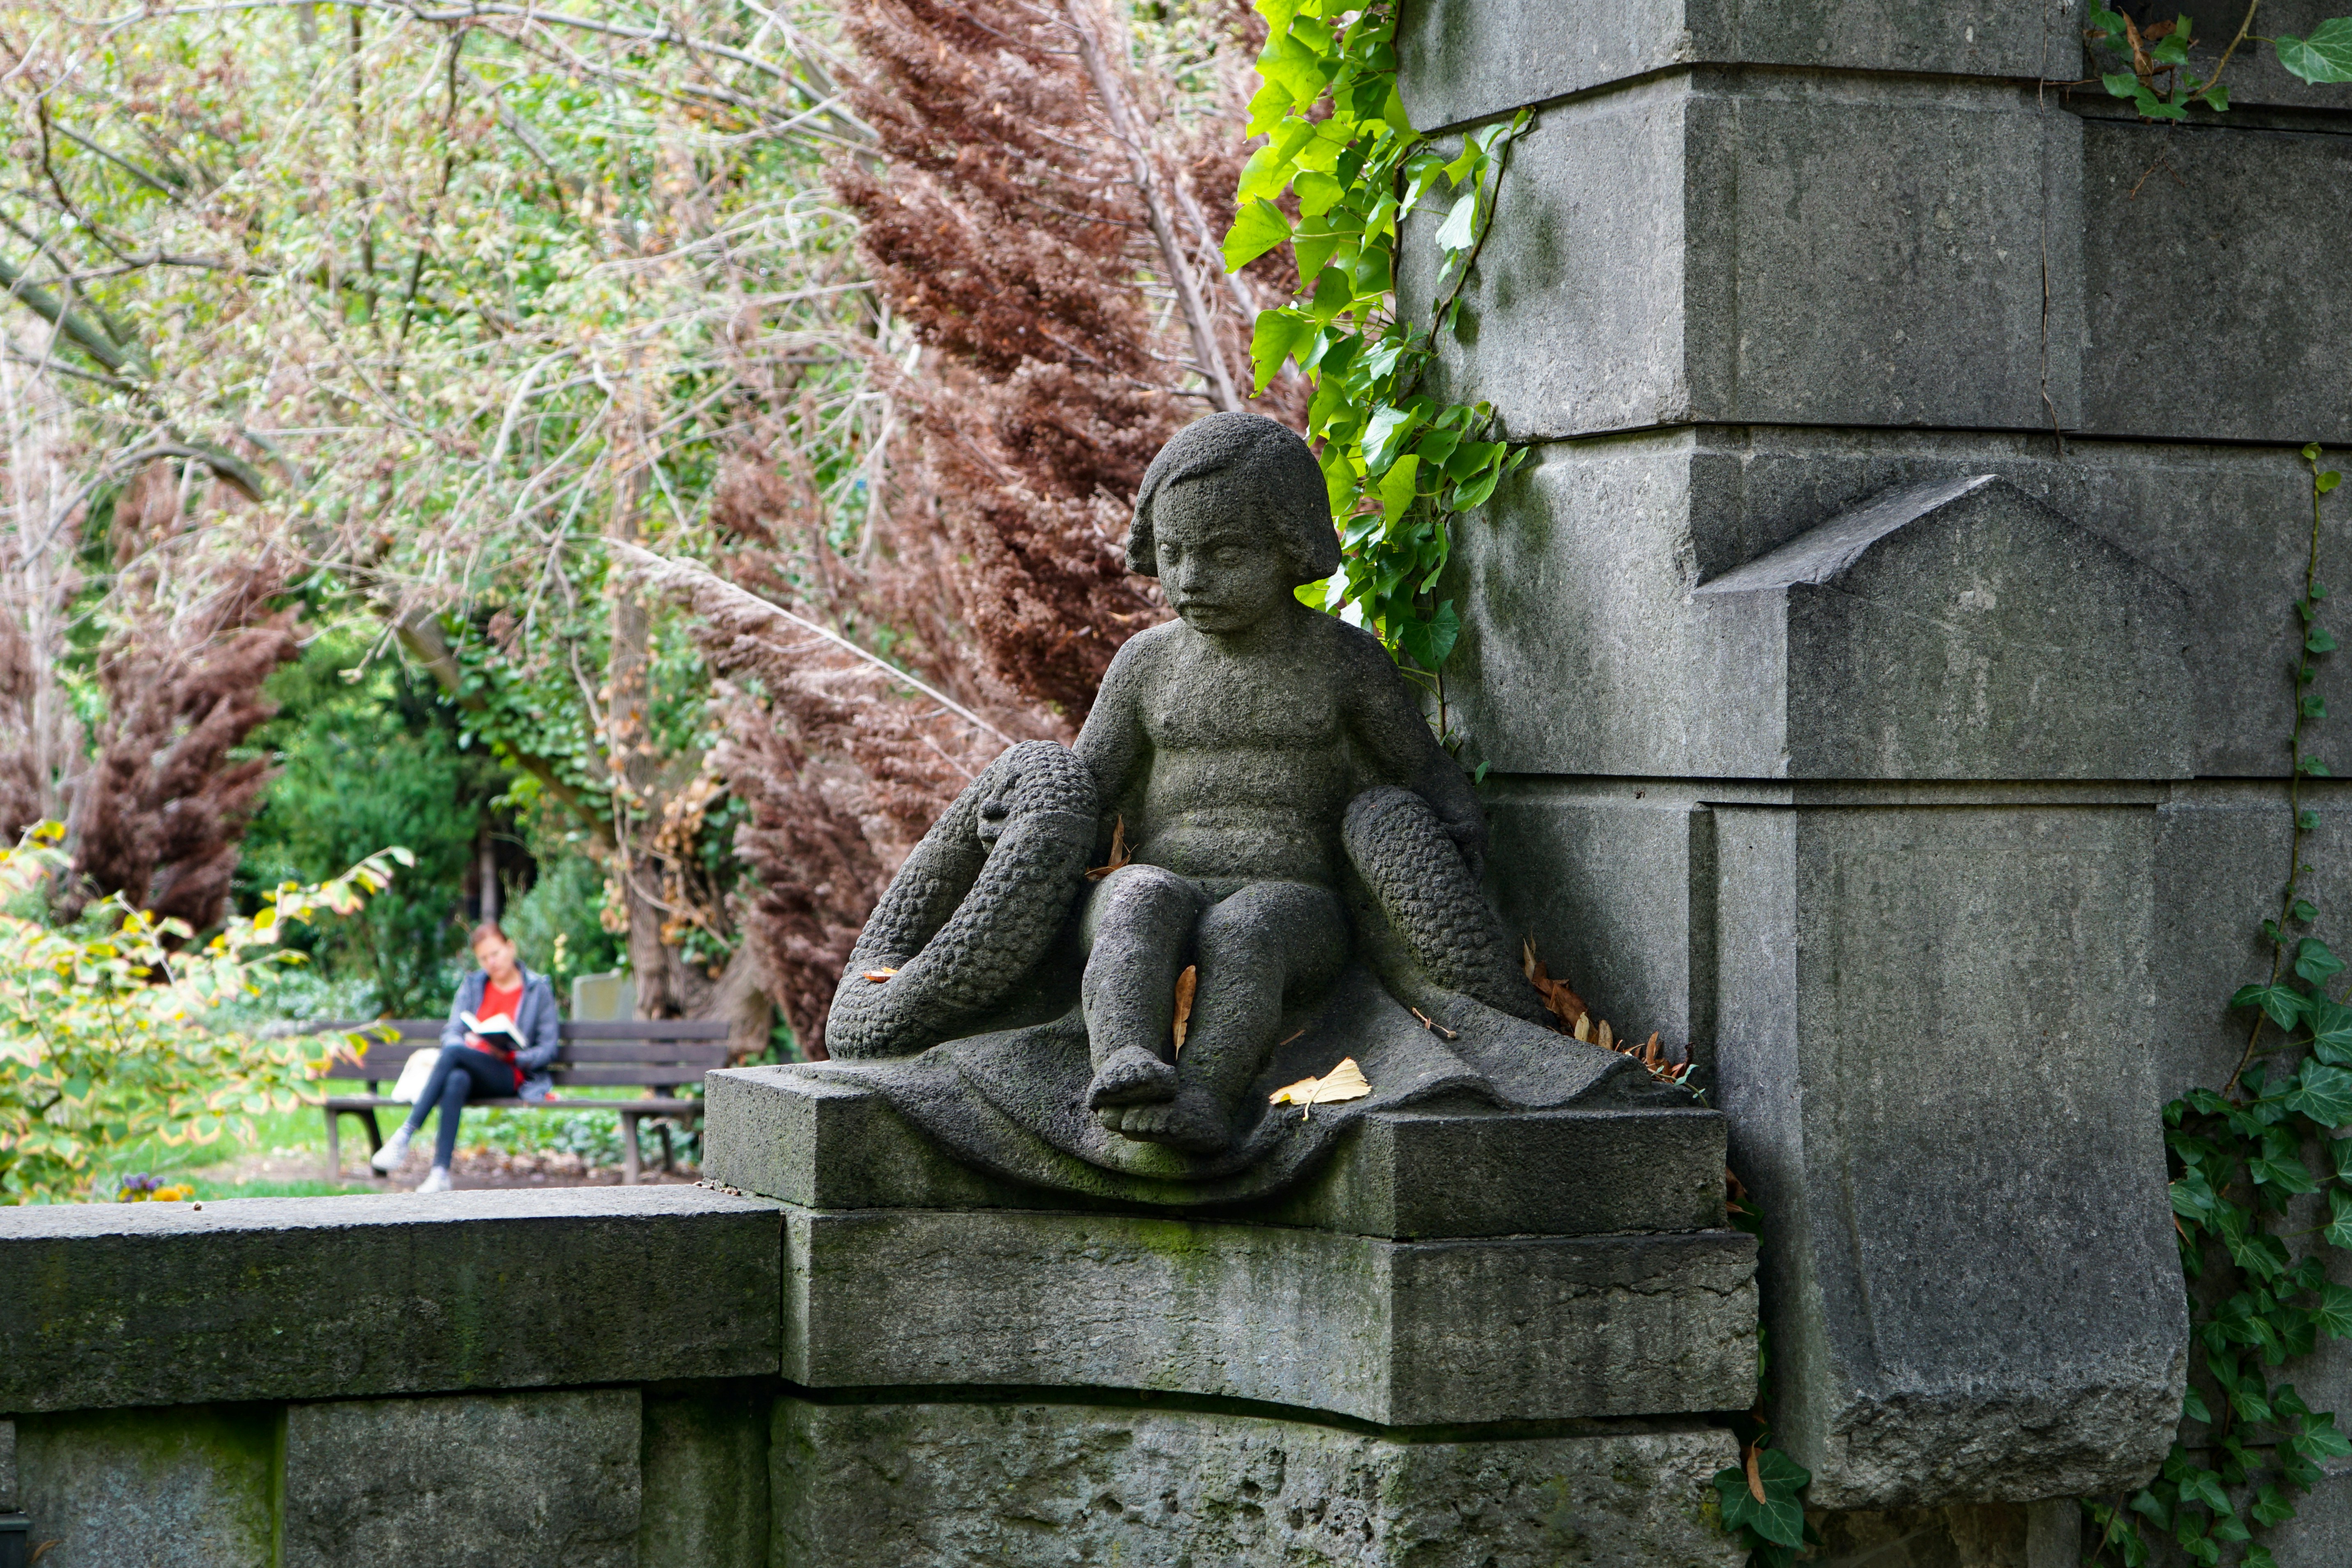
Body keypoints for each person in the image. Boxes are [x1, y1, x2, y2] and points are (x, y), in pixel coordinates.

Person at [1071, 412, 1488, 1154]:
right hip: (1162, 874)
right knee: (1138, 899)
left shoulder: (1343, 662)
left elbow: (1417, 765)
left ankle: (1204, 1091)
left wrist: (1452, 819)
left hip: (1296, 904)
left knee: (1248, 927)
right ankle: (1124, 1062)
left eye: (1225, 553)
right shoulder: (1145, 663)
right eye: (1173, 553)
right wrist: (1020, 815)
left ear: (1290, 545)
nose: (1192, 579)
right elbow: (1087, 784)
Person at [372, 922, 560, 1191]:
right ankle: (440, 1173)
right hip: (471, 1066)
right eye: (484, 958)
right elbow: (452, 1032)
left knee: (454, 1053)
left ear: (511, 947)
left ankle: (406, 1134)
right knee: (456, 1077)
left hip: (510, 1073)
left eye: (495, 954)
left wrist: (513, 1056)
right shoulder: (473, 985)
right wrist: (468, 1041)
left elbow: (548, 1049)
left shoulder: (536, 989)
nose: (491, 963)